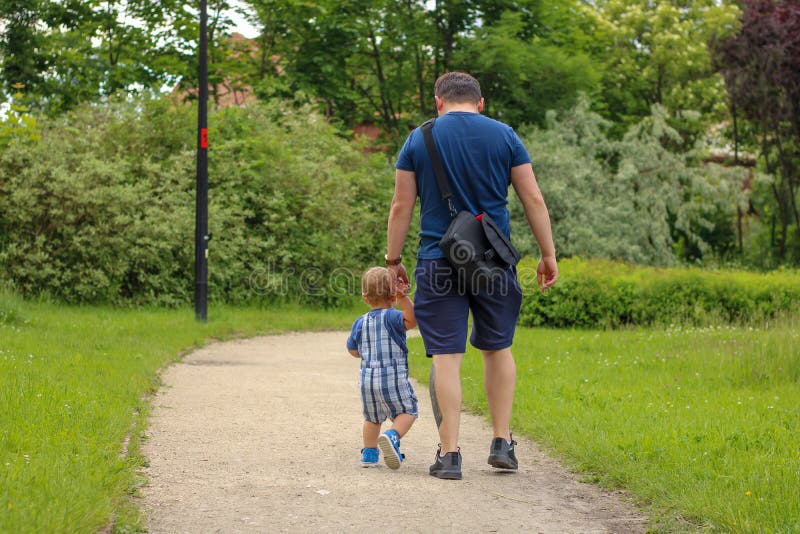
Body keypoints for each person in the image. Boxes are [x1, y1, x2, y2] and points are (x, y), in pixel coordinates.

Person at [385, 71, 558, 480]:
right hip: (494, 261)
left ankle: (449, 455)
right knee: (497, 347)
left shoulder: (418, 138)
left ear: (438, 102)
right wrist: (547, 253)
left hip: (436, 260)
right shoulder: (504, 135)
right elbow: (532, 197)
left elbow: (400, 206)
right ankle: (502, 443)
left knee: (446, 355)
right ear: (480, 103)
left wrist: (393, 262)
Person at [346, 266, 418, 469]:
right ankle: (392, 436)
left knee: (372, 418)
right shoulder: (394, 317)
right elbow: (412, 320)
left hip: (368, 381)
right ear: (393, 297)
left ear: (365, 299)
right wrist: (405, 298)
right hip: (392, 377)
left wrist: (366, 353)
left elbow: (352, 350)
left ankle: (369, 454)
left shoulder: (360, 323)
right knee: (408, 411)